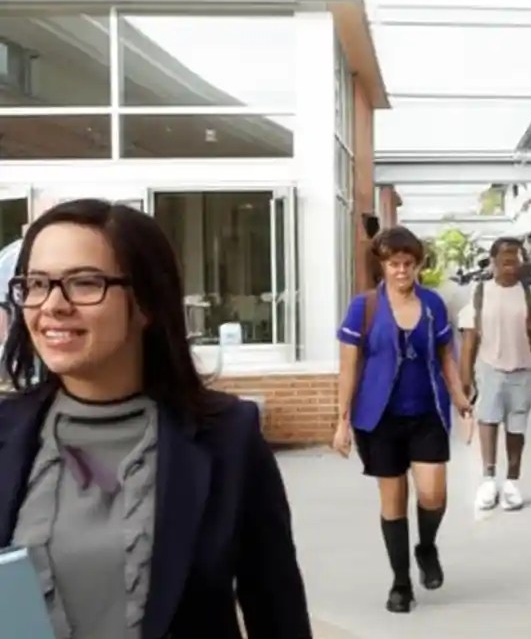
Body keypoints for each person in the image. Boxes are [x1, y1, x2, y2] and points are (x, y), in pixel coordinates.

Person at [0, 198, 310, 638]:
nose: (52, 305)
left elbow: (278, 615)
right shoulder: (7, 433)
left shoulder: (227, 438)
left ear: (146, 302)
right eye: (36, 284)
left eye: (84, 283)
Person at [331, 226, 472, 614]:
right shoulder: (364, 307)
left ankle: (426, 547)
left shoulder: (432, 305)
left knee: (432, 494)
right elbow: (349, 367)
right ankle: (400, 582)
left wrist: (459, 396)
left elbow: (446, 355)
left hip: (426, 412)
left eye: (408, 264)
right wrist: (342, 420)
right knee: (393, 501)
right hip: (378, 419)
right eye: (394, 264)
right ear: (383, 265)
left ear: (418, 265)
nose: (401, 271)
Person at [458, 237, 531, 512]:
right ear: (494, 260)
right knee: (488, 421)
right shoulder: (480, 293)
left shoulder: (529, 294)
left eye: (516, 257)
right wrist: (465, 378)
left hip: (522, 369)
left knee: (517, 427)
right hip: (489, 367)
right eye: (506, 256)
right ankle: (488, 480)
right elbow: (470, 338)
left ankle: (511, 481)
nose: (511, 261)